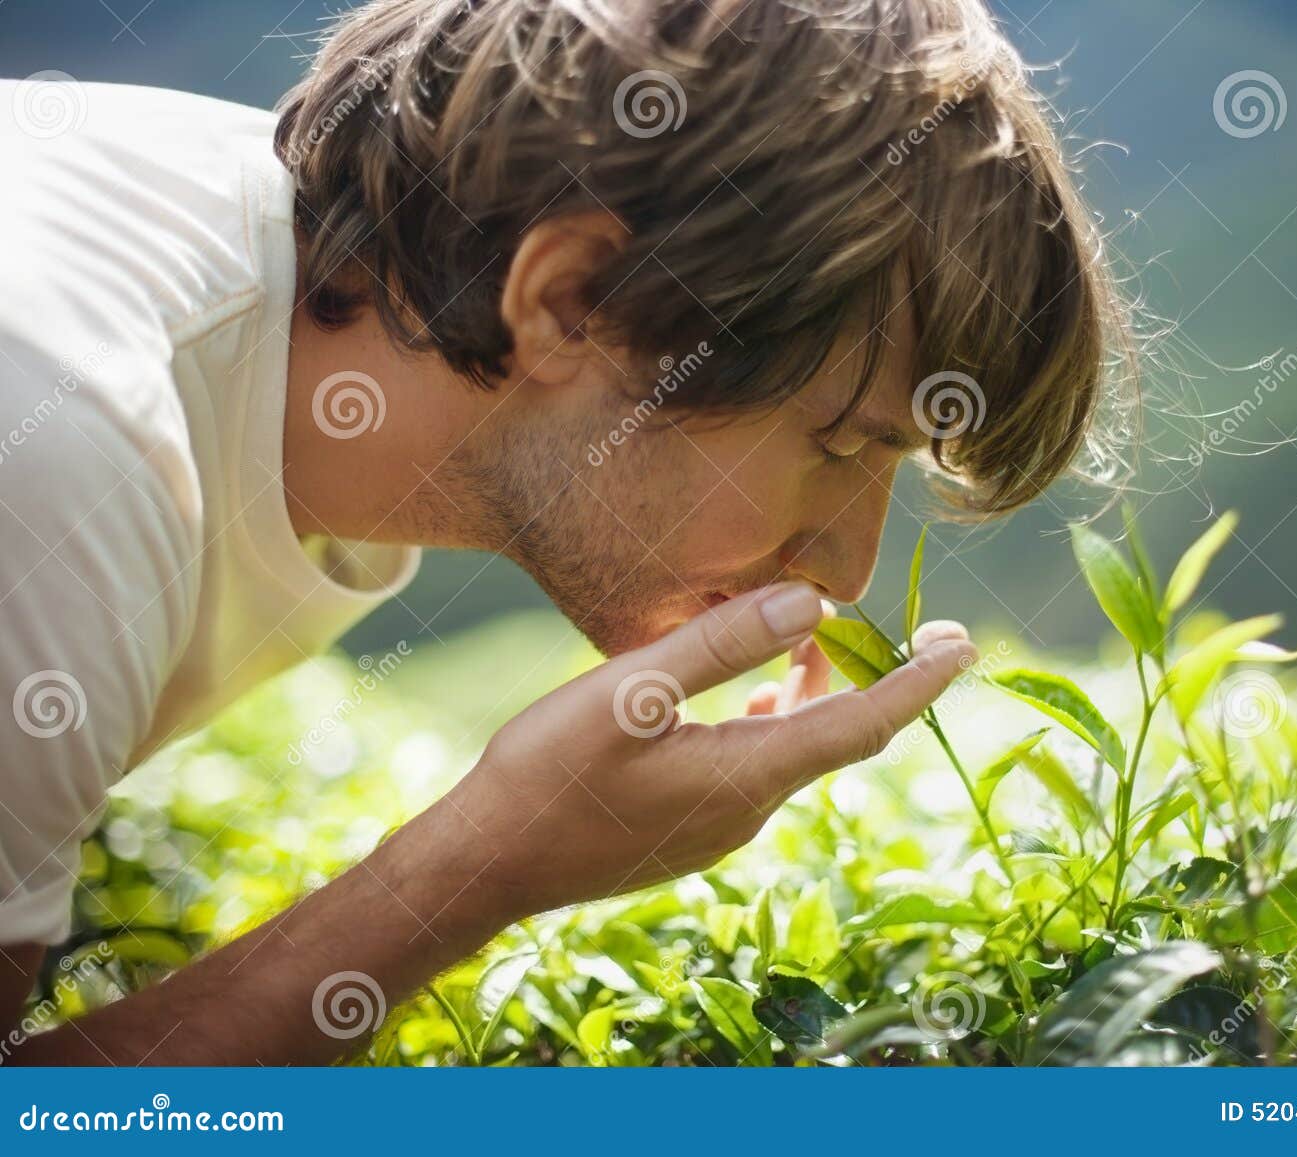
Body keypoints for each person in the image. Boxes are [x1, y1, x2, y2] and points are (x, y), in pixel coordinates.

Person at [0, 0, 1126, 1063]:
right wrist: (477, 863)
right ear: (576, 297)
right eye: (836, 443)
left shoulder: (262, 317)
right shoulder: (62, 441)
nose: (844, 569)